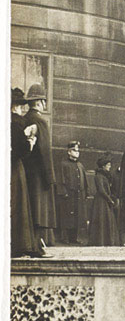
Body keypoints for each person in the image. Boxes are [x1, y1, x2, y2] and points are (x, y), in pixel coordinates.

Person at [11, 88, 45, 257]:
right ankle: (20, 246)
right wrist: (30, 142)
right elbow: (22, 149)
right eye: (19, 106)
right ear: (15, 106)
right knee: (19, 206)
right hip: (15, 169)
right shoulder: (16, 122)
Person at [23, 83, 58, 246]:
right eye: (44, 101)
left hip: (26, 172)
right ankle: (39, 243)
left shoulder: (24, 119)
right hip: (39, 174)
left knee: (28, 207)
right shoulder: (40, 121)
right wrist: (50, 177)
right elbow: (45, 152)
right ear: (39, 102)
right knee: (40, 210)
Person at [56, 140, 89, 245]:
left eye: (78, 151)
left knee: (77, 217)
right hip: (68, 195)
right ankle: (65, 238)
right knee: (67, 217)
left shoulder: (80, 165)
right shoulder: (63, 164)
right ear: (69, 152)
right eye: (74, 150)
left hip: (78, 195)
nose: (77, 153)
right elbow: (60, 179)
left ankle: (74, 238)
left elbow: (85, 180)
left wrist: (85, 192)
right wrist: (63, 192)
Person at [90, 154, 121, 246]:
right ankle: (100, 241)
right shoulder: (99, 176)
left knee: (106, 220)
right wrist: (109, 200)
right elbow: (101, 190)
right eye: (108, 165)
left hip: (104, 201)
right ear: (103, 166)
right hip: (101, 202)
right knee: (102, 220)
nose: (110, 167)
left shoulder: (105, 176)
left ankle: (106, 241)